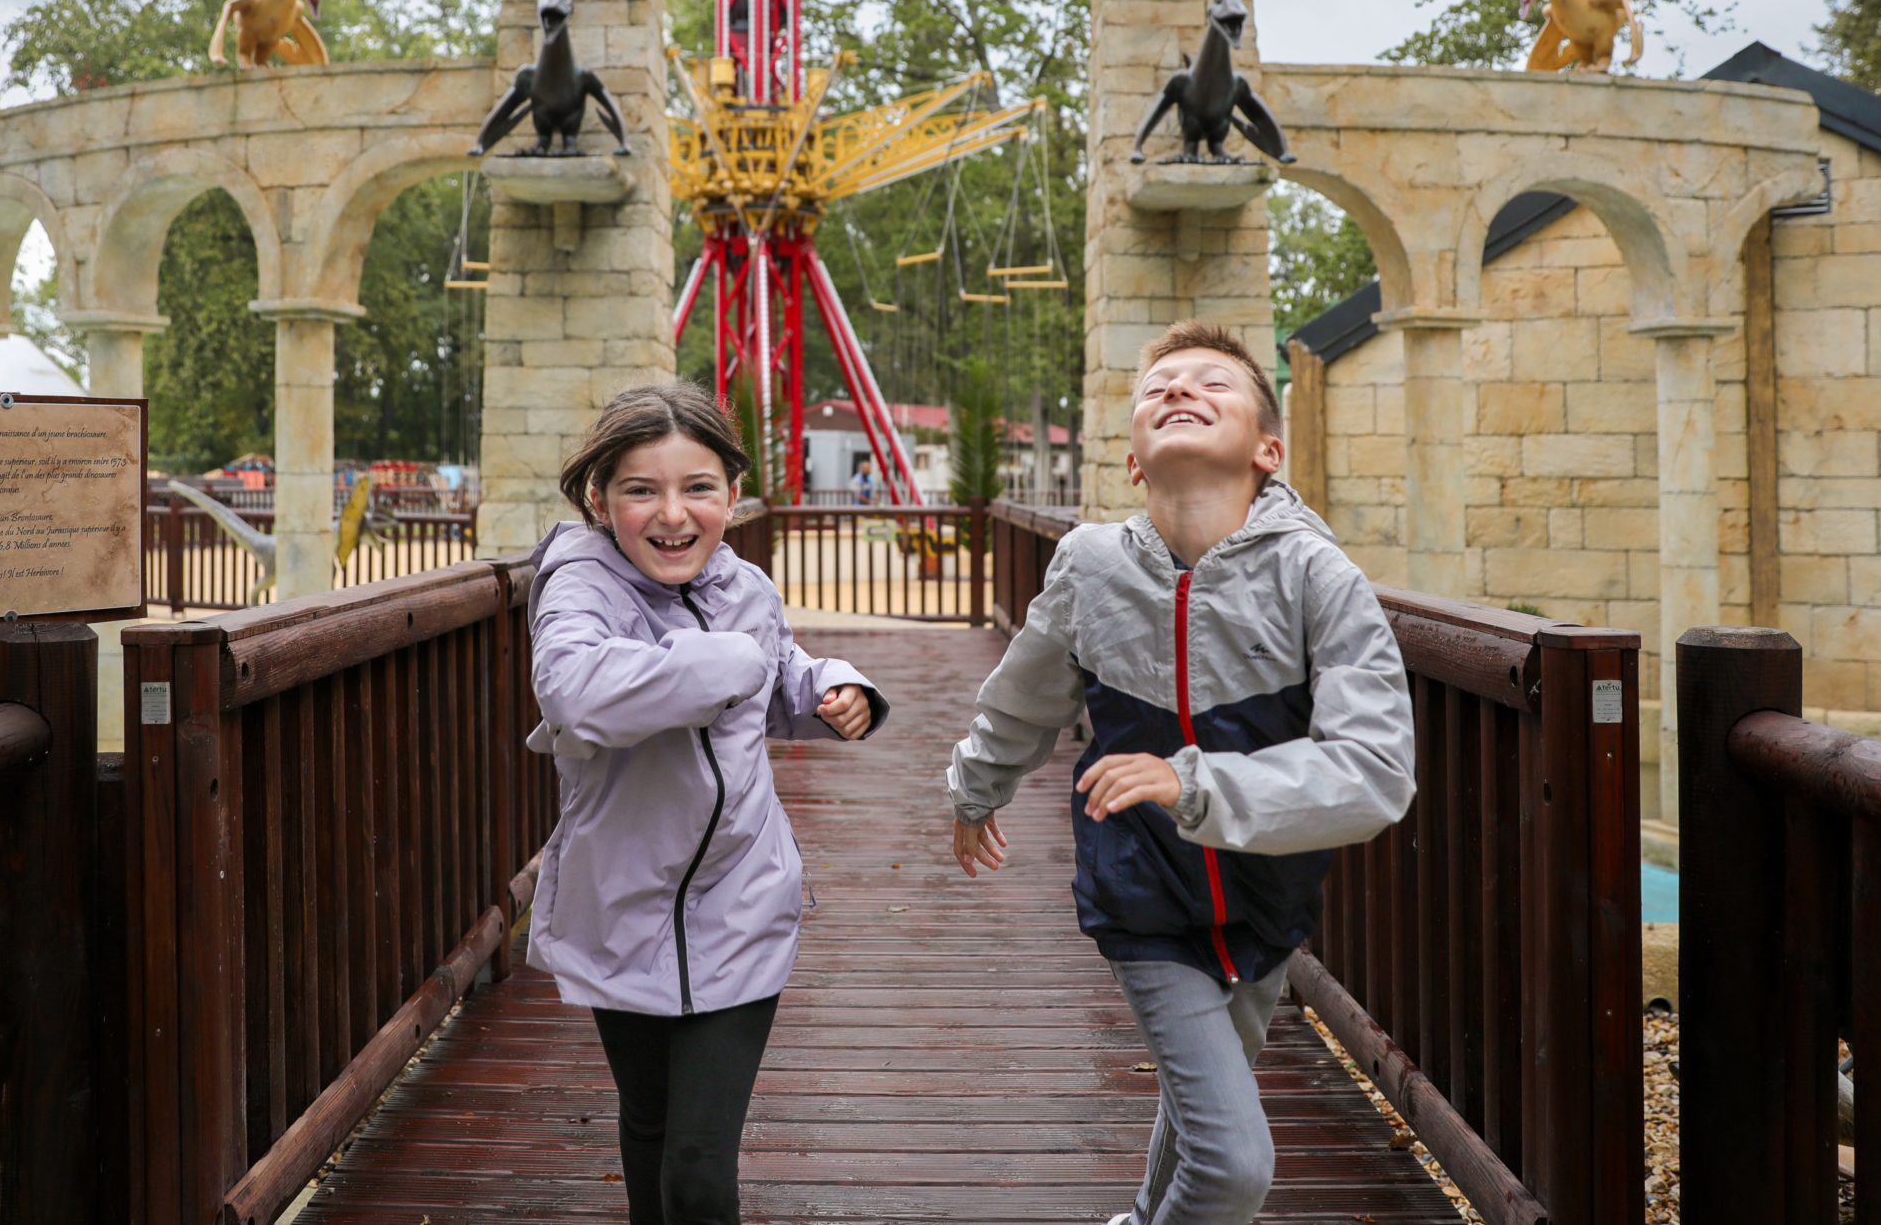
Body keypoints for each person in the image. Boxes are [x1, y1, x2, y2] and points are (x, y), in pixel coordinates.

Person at [942, 321, 1415, 1225]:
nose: (1180, 390)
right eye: (1158, 386)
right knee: (1233, 1165)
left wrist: (1193, 785)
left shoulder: (1318, 577)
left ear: (1268, 450)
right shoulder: (1090, 565)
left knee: (1201, 1113)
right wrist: (975, 785)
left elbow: (1375, 768)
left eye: (1213, 382)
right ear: (1132, 460)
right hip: (1143, 894)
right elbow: (1026, 694)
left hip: (1267, 897)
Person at [524, 381, 888, 1225]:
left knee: (696, 1166)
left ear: (732, 491)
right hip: (621, 901)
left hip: (743, 896)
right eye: (640, 489)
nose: (672, 513)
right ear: (600, 499)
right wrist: (721, 662)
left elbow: (779, 675)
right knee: (649, 1121)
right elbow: (573, 690)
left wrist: (837, 687)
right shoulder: (578, 585)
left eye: (698, 487)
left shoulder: (746, 585)